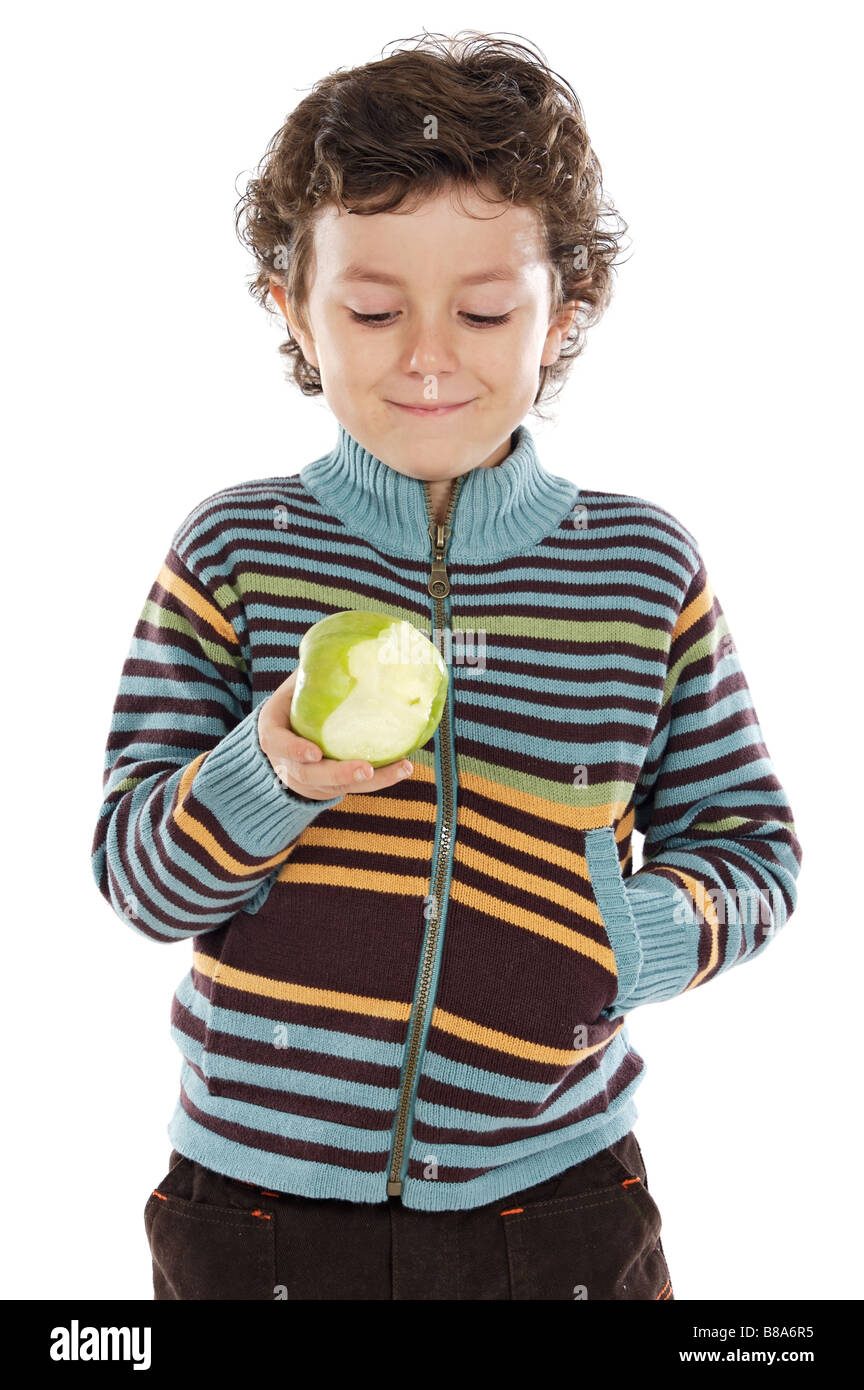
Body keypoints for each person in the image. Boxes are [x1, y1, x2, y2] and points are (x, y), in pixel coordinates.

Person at [91, 31, 802, 1301]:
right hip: (255, 1208)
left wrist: (623, 937)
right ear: (291, 310)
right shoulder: (237, 549)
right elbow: (139, 881)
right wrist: (271, 765)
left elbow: (754, 846)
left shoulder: (644, 568)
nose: (428, 355)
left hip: (561, 1205)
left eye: (483, 311)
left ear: (563, 315)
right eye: (372, 309)